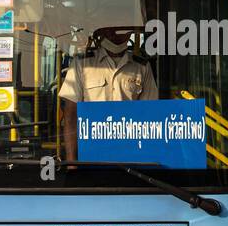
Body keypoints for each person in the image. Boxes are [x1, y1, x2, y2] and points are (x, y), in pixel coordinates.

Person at [58, 27, 158, 159]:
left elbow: (149, 116)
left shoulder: (142, 66)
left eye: (120, 30)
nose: (115, 35)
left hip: (130, 154)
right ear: (103, 31)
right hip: (91, 153)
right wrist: (71, 161)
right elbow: (71, 115)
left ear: (129, 33)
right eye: (111, 29)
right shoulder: (82, 64)